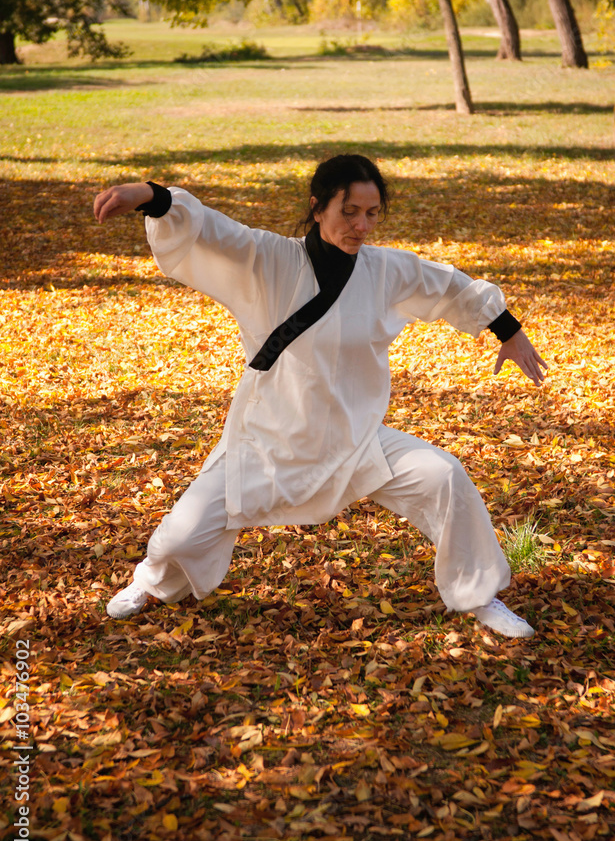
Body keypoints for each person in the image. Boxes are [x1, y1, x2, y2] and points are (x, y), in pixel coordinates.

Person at [93, 154, 547, 638]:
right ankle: (152, 580)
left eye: (371, 214)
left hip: (356, 438)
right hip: (266, 440)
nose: (361, 226)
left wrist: (508, 330)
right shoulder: (270, 259)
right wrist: (152, 196)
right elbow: (214, 233)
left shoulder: (385, 270)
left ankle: (478, 594)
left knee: (444, 476)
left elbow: (449, 285)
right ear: (317, 207)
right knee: (179, 538)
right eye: (349, 212)